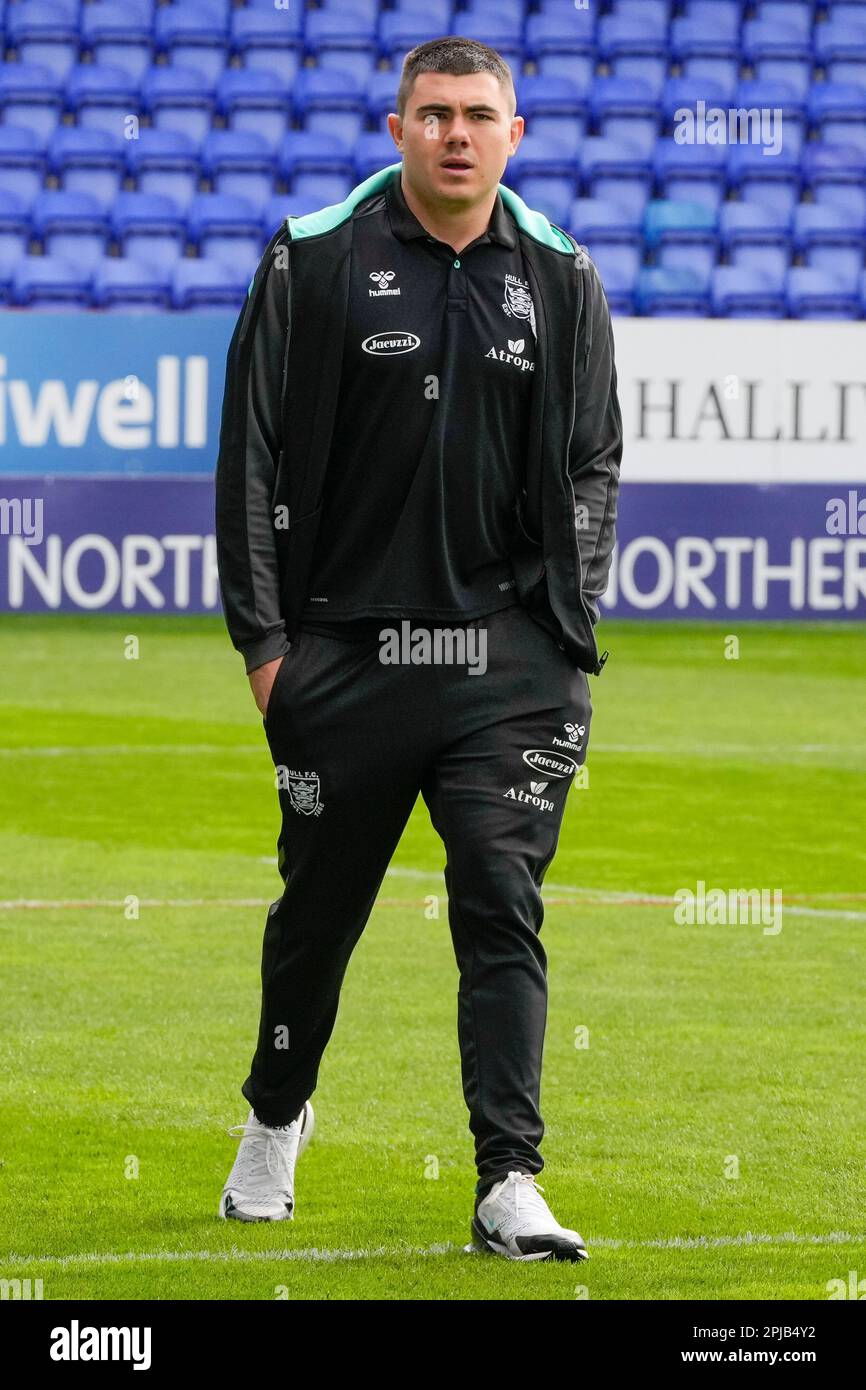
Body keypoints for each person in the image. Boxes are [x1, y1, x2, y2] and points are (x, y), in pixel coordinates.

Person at [214, 36, 622, 1263]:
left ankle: (509, 1179)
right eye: (433, 113)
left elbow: (593, 461)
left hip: (508, 665)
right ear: (397, 129)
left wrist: (567, 623)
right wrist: (269, 650)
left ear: (514, 133)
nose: (456, 133)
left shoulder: (559, 273)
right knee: (318, 916)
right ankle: (275, 1117)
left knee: (500, 899)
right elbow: (250, 460)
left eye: (478, 114)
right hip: (345, 658)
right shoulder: (313, 255)